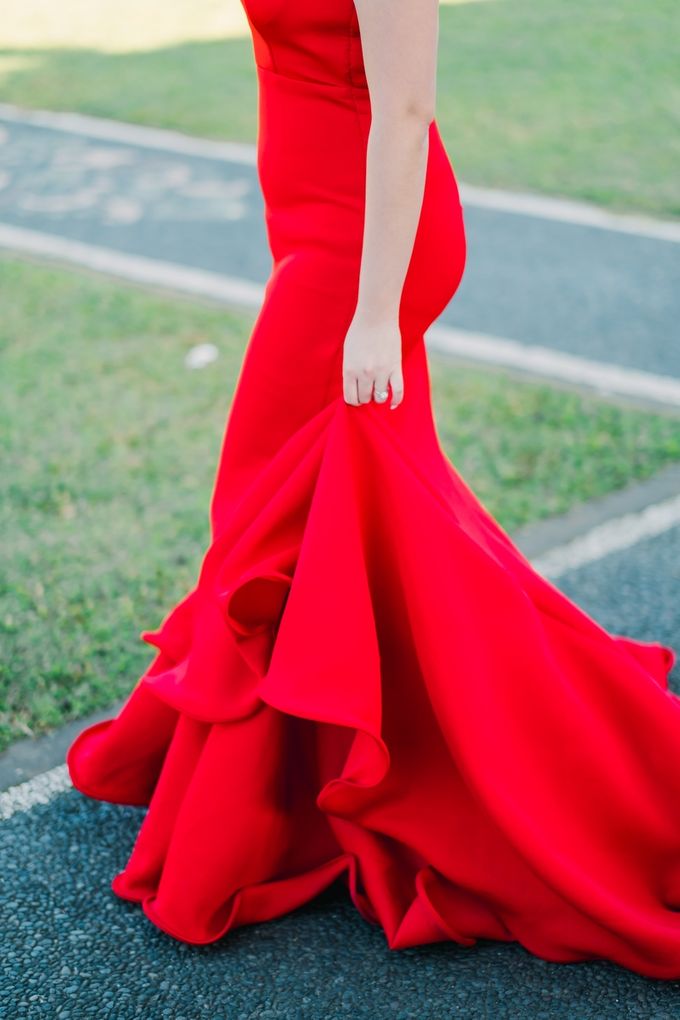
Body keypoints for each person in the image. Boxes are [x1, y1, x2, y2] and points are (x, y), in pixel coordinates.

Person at [66, 0, 680, 979]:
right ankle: (325, 791)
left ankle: (257, 821)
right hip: (313, 231)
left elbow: (403, 109)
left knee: (259, 522)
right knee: (355, 530)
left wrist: (373, 313)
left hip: (365, 255)